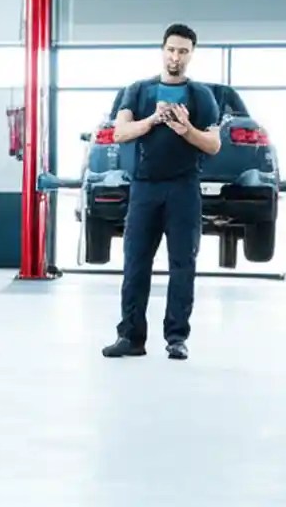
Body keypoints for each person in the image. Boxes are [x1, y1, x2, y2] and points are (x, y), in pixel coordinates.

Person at [101, 23, 221, 361]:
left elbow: (212, 144)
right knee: (135, 263)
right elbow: (120, 133)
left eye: (183, 51)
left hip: (183, 190)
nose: (176, 56)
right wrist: (153, 120)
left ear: (191, 54)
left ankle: (176, 338)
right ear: (162, 50)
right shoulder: (138, 91)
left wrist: (187, 130)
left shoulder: (201, 96)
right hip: (144, 189)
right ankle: (131, 338)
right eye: (171, 49)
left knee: (183, 264)